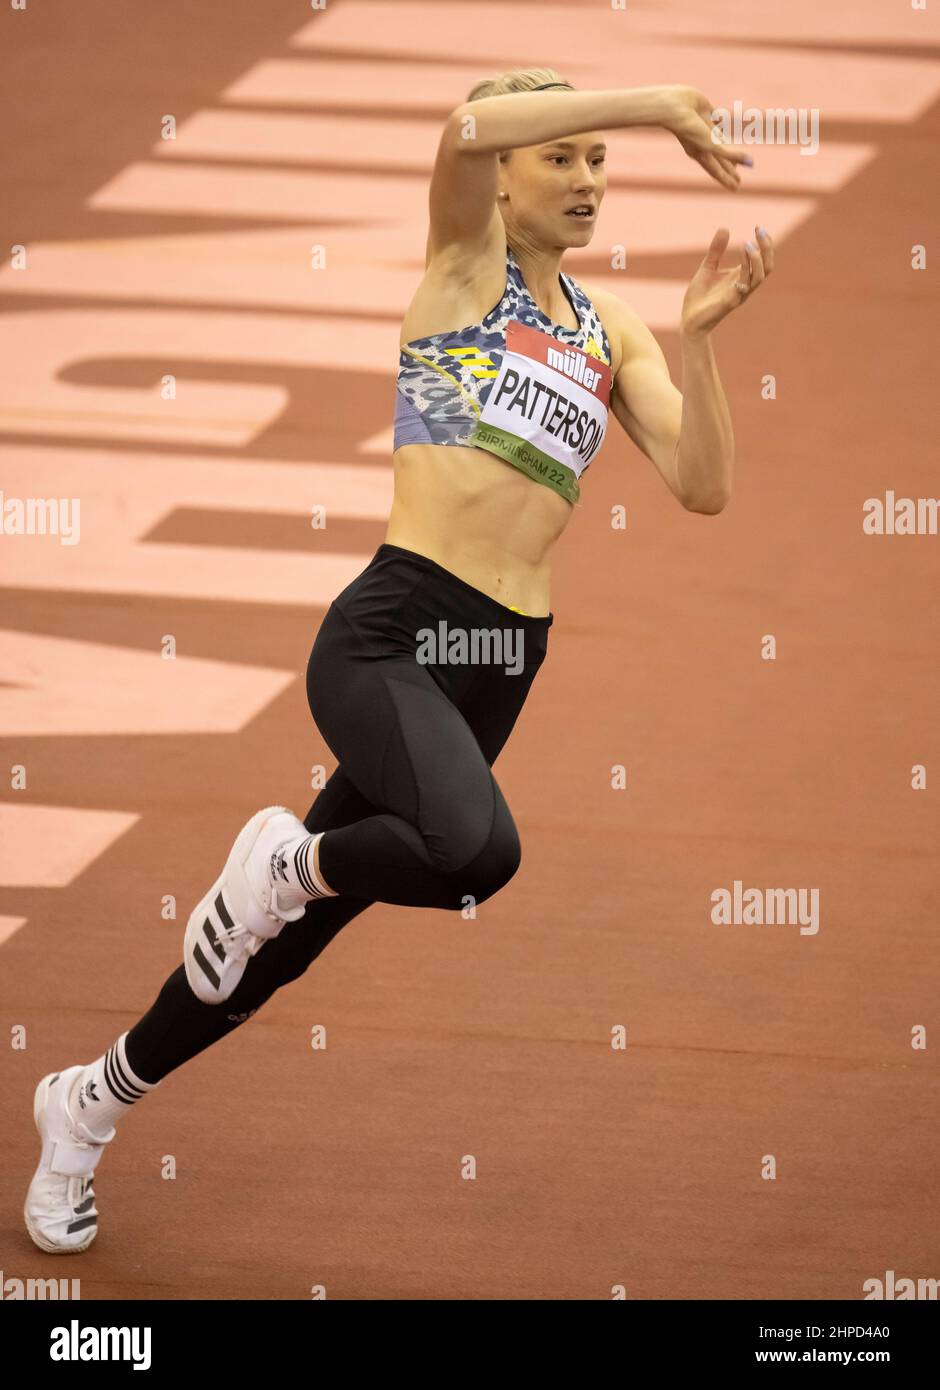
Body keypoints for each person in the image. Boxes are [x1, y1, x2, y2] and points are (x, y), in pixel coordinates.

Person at [24, 69, 773, 1253]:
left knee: (292, 944)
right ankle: (288, 858)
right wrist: (650, 103)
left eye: (597, 162)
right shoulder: (461, 266)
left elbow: (705, 486)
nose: (585, 180)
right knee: (478, 850)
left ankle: (89, 1099)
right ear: (508, 174)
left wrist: (699, 342)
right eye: (561, 156)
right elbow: (464, 128)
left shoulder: (610, 326)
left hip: (500, 660)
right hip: (392, 632)